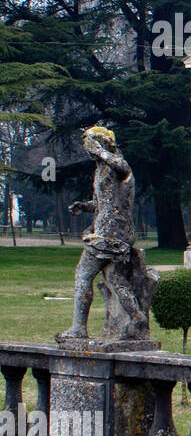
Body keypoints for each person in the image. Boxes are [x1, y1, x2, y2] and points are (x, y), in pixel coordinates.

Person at [57, 127, 149, 344]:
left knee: (83, 275)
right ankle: (137, 317)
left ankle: (78, 328)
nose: (89, 150)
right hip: (112, 231)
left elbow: (123, 167)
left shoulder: (115, 164)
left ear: (103, 144)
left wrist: (99, 151)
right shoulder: (101, 169)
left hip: (109, 234)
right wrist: (84, 206)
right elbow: (104, 204)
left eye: (91, 144)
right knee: (116, 280)